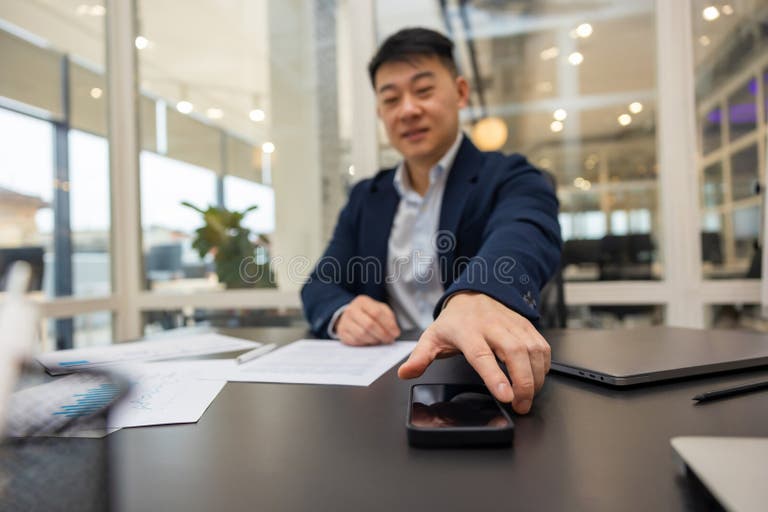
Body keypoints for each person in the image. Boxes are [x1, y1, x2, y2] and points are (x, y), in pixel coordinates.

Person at [301, 27, 561, 414]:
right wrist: (344, 314)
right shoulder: (365, 197)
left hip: (479, 379)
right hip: (381, 388)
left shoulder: (509, 176)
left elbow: (525, 232)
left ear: (459, 93)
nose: (407, 110)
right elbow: (321, 283)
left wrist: (477, 294)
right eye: (391, 99)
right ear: (380, 113)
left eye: (423, 91)